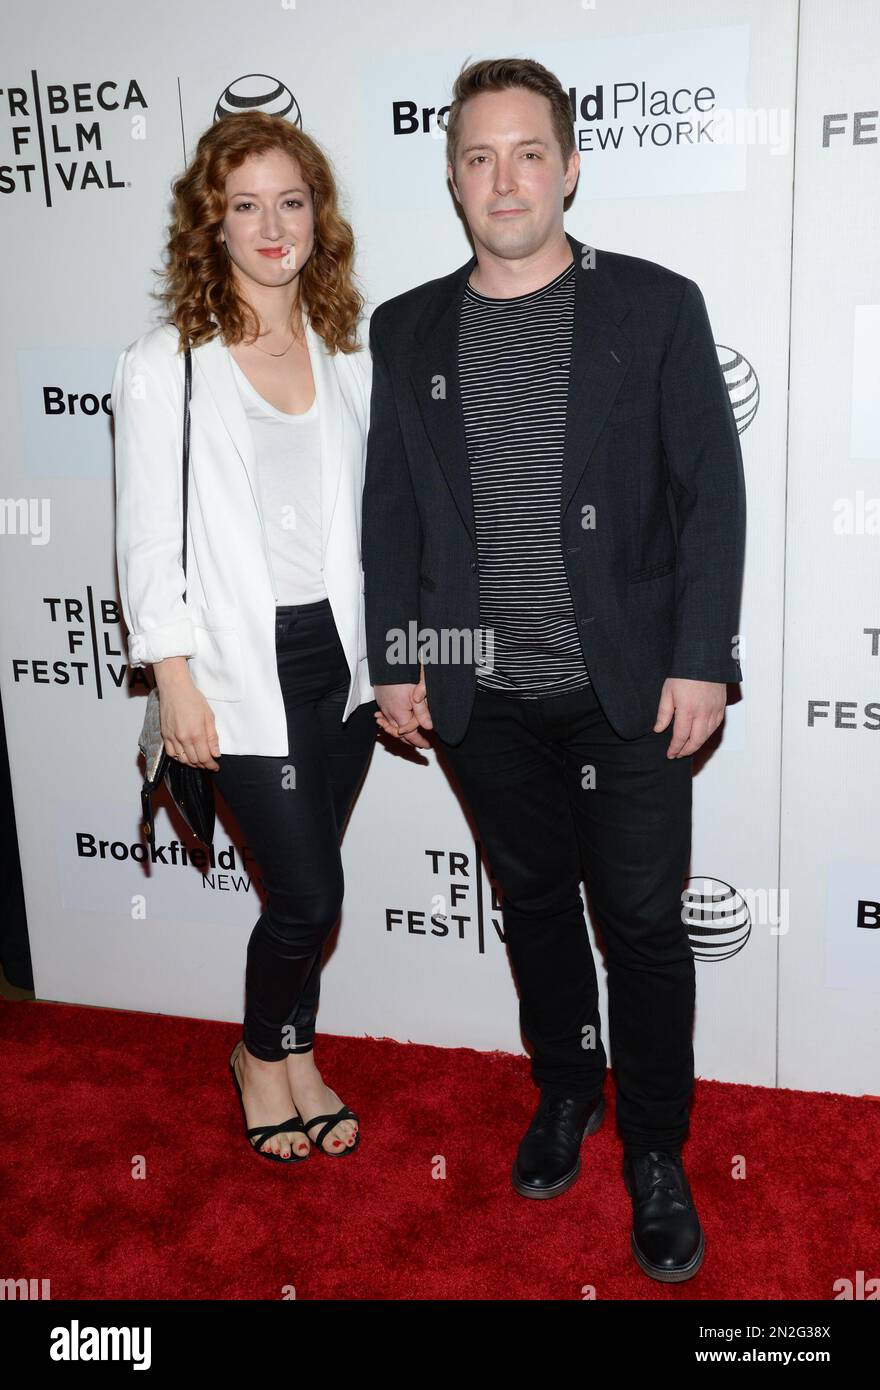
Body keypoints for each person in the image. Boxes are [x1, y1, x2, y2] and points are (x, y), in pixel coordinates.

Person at [362, 58, 746, 1279]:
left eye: (527, 152)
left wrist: (701, 658)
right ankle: (567, 1089)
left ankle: (656, 1148)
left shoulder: (654, 305)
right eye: (477, 157)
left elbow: (711, 500)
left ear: (570, 166)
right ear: (452, 181)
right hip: (483, 691)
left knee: (638, 923)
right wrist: (404, 659)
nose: (503, 177)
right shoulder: (406, 325)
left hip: (628, 687)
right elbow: (394, 518)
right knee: (534, 909)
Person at [112, 111, 378, 1164]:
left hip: (340, 663)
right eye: (246, 205)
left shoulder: (348, 349)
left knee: (307, 893)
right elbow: (144, 537)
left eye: (292, 200)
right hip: (233, 668)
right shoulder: (164, 363)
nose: (273, 225)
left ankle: (298, 1052)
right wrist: (173, 678)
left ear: (319, 216)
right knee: (310, 894)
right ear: (211, 225)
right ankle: (257, 1059)